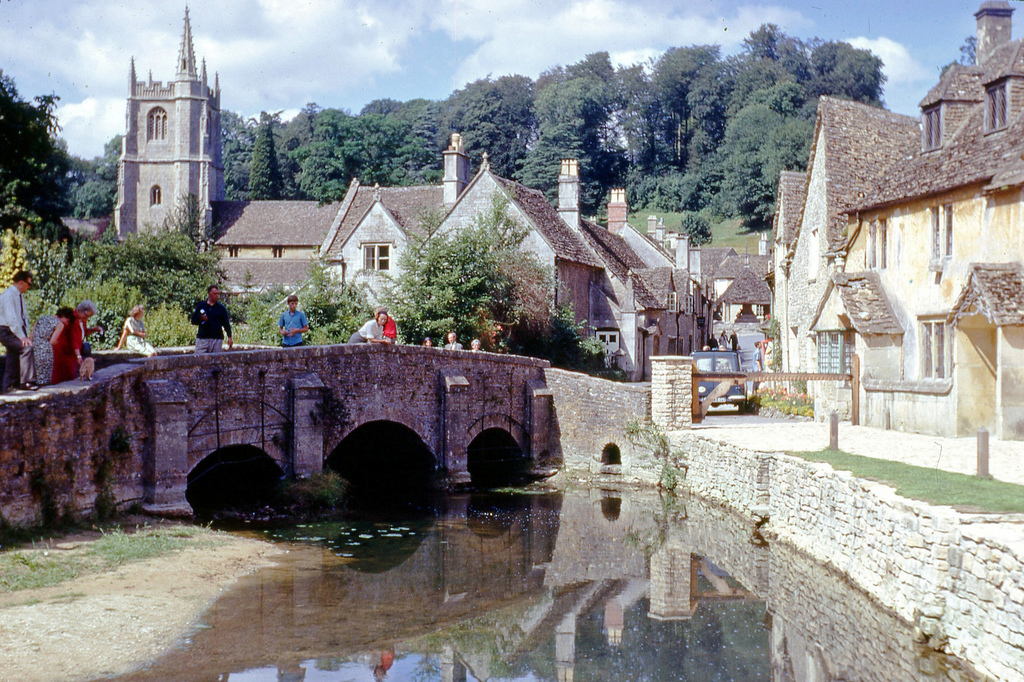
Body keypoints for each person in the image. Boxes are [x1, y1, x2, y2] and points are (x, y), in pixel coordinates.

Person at [0, 270, 37, 392]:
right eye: (29, 284)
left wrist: (25, 334)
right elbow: (12, 319)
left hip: (13, 329)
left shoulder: (18, 296)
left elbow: (23, 317)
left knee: (13, 355)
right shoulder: (9, 296)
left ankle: (9, 386)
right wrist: (22, 337)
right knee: (26, 348)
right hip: (6, 330)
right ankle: (27, 382)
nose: (29, 287)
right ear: (21, 282)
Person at [51, 300, 103, 384]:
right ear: (80, 310)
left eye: (88, 317)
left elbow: (83, 333)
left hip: (72, 353)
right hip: (64, 352)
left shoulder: (82, 320)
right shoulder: (73, 319)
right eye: (86, 315)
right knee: (65, 377)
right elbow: (73, 339)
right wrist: (78, 356)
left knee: (72, 375)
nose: (86, 318)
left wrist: (94, 329)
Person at [191, 285, 233, 354]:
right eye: (215, 294)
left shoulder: (221, 308)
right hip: (203, 338)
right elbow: (193, 320)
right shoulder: (201, 306)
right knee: (199, 360)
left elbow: (226, 324)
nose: (217, 296)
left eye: (218, 294)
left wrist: (229, 336)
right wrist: (200, 319)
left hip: (216, 339)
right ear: (209, 294)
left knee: (215, 362)